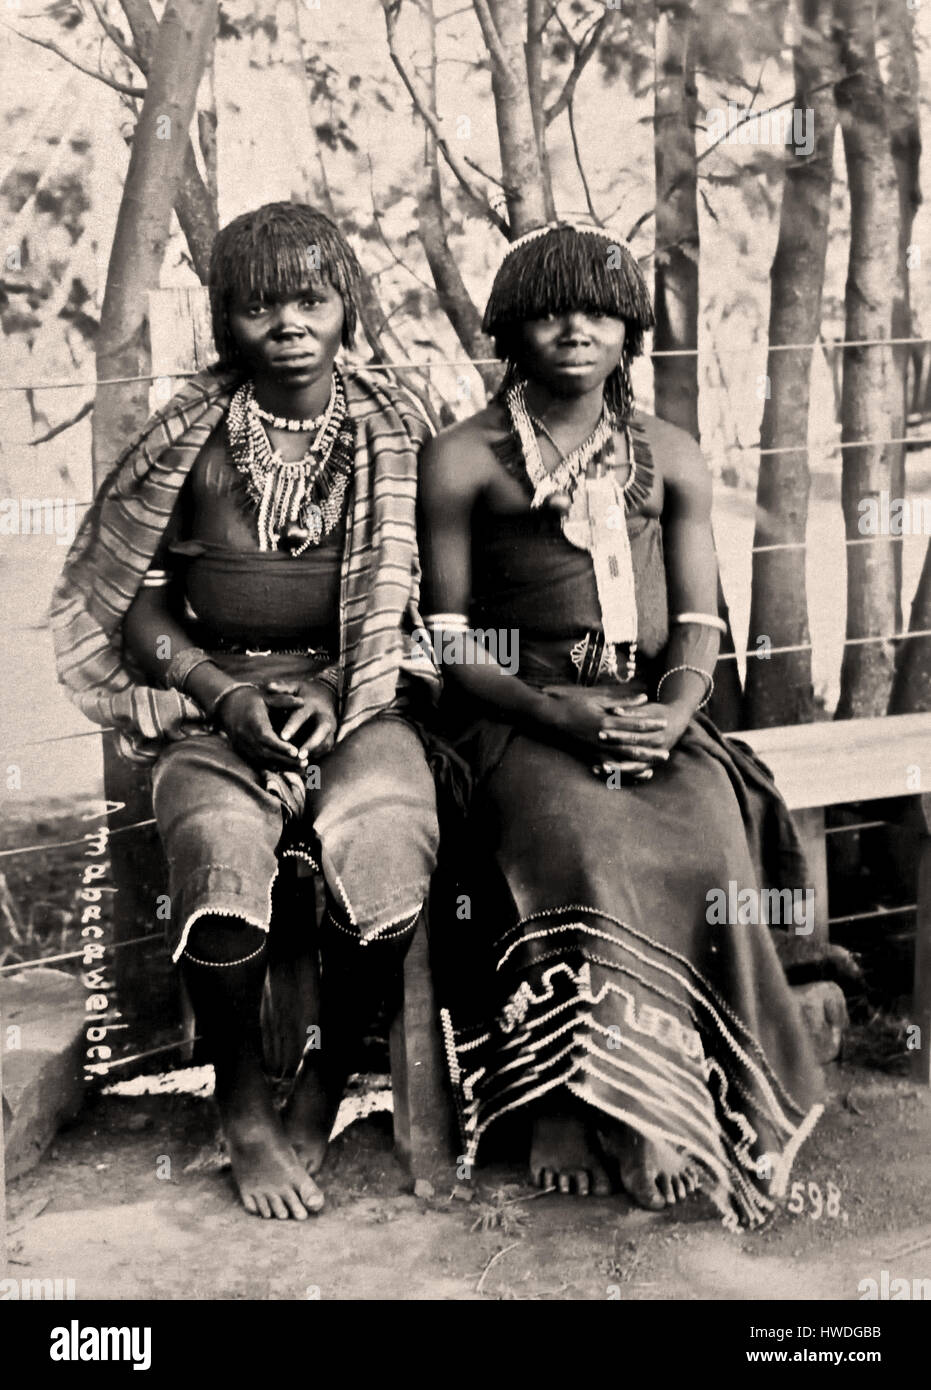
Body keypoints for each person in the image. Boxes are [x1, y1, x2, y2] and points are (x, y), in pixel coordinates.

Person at [418, 220, 823, 1230]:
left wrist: (676, 709)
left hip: (648, 709)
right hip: (516, 719)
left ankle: (686, 1099)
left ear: (630, 331)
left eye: (599, 311)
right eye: (550, 311)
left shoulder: (667, 455)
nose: (574, 328)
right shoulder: (464, 458)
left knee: (713, 843)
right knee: (583, 843)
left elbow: (695, 623)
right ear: (511, 328)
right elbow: (452, 639)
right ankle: (566, 1100)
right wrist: (550, 707)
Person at [52, 202, 440, 1220]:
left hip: (358, 694)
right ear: (228, 318)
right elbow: (130, 596)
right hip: (214, 704)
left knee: (389, 833)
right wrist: (221, 696)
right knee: (219, 844)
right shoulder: (187, 438)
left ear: (345, 303)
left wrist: (333, 685)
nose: (289, 323)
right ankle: (242, 1106)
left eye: (310, 298)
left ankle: (320, 1084)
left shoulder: (396, 431)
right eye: (261, 304)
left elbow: (432, 601)